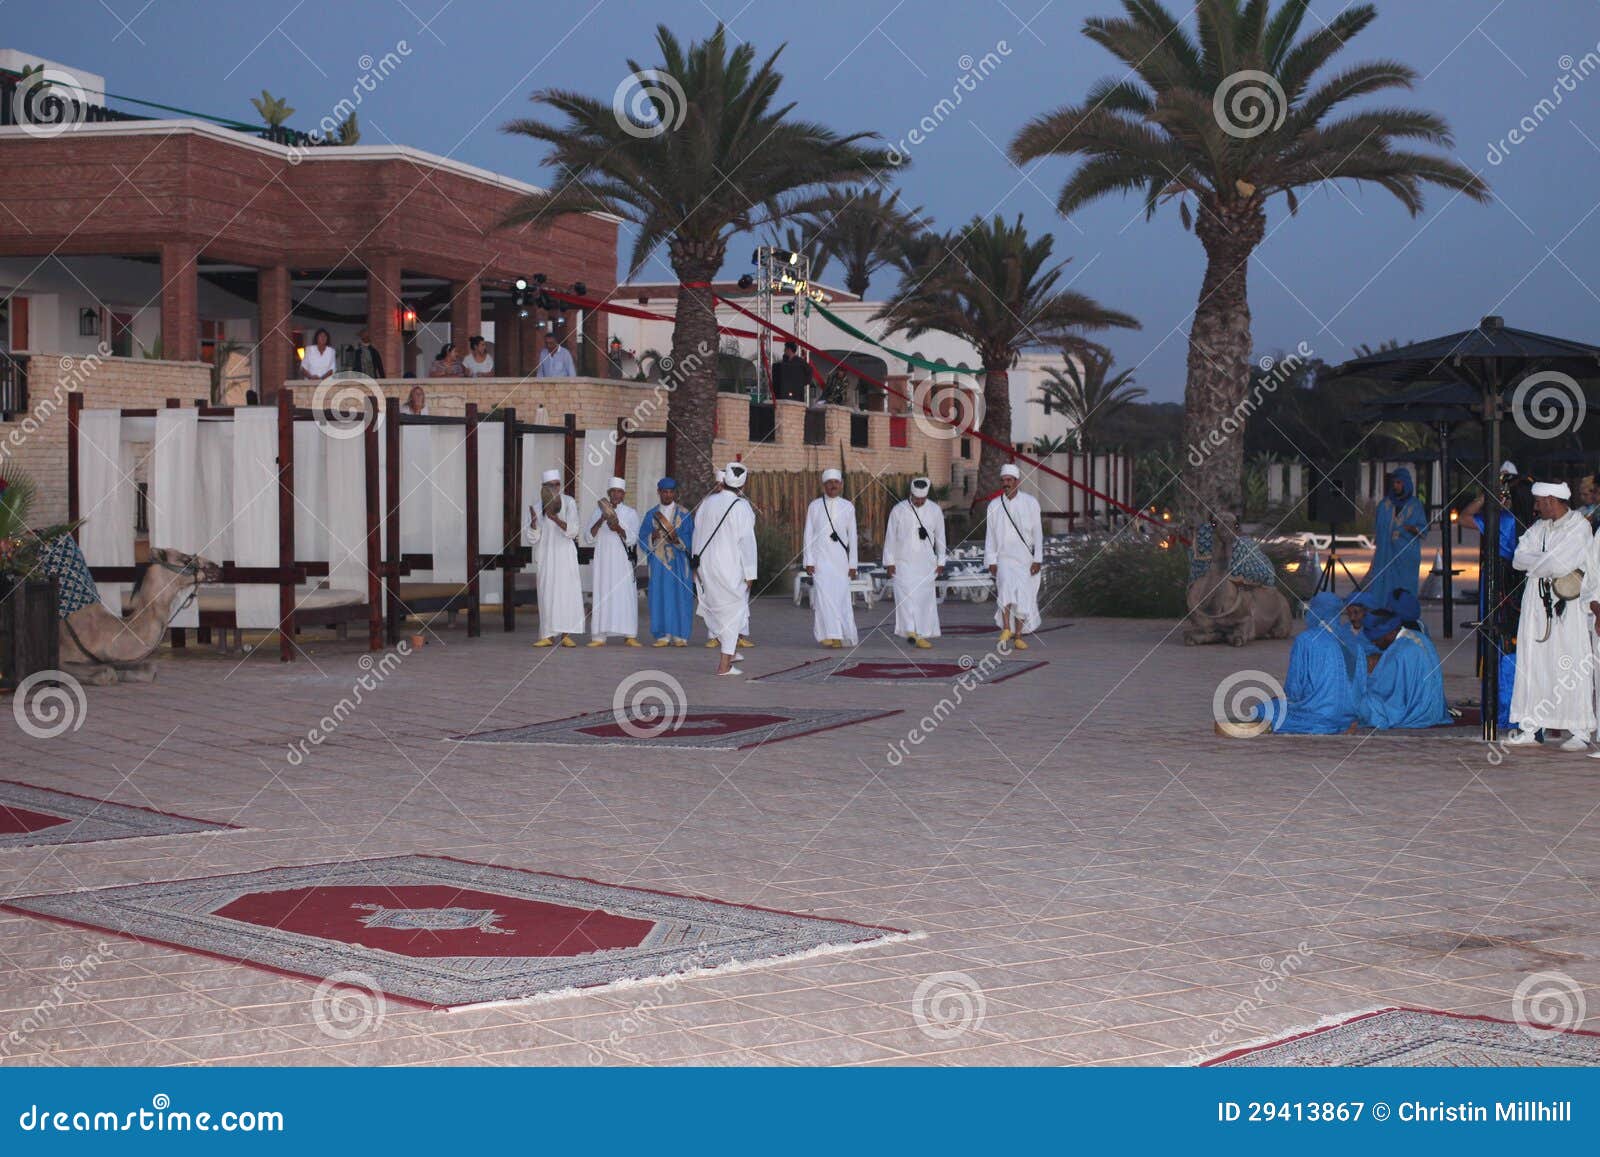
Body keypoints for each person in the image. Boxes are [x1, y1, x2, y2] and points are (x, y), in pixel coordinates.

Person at [1505, 481, 1596, 749]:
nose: (1535, 507)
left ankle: (1578, 730)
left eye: (1539, 502)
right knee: (1533, 662)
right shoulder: (1537, 528)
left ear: (1551, 500)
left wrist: (1538, 563)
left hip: (1567, 608)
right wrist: (1542, 563)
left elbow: (1562, 563)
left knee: (1569, 661)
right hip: (1536, 604)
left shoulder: (1579, 527)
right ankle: (1532, 727)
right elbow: (1518, 559)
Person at [1249, 593, 1363, 734]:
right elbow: (1360, 684)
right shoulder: (1352, 640)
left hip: (1320, 713)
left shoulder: (1306, 639)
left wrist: (1286, 699)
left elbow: (1295, 689)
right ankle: (1344, 722)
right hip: (1350, 713)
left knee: (1260, 710)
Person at [695, 461, 757, 676]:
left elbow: (697, 532)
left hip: (706, 564)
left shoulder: (707, 502)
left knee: (716, 607)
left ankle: (728, 652)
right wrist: (750, 572)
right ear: (743, 484)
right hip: (730, 566)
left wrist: (696, 562)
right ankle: (724, 665)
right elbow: (747, 542)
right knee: (733, 610)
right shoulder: (742, 507)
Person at [1355, 607, 1451, 730]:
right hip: (1434, 711)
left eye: (1376, 640)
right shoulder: (1419, 637)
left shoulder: (1398, 651)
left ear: (1389, 633)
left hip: (1412, 713)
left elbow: (1382, 690)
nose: (1375, 644)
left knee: (1359, 701)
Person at [985, 463, 1044, 648]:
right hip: (1004, 558)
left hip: (1025, 559)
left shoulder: (1030, 502)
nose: (1006, 484)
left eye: (1009, 480)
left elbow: (1038, 534)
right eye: (1003, 481)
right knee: (1005, 591)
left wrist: (1038, 559)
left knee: (1022, 596)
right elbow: (990, 535)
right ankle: (1006, 628)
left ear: (1017, 482)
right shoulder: (994, 505)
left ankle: (1018, 635)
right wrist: (991, 560)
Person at [883, 476, 946, 648]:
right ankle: (910, 630)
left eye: (922, 499)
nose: (918, 501)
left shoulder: (935, 510)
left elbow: (940, 537)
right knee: (905, 597)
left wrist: (941, 561)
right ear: (910, 494)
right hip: (902, 561)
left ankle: (921, 633)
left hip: (926, 563)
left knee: (923, 599)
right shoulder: (898, 510)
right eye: (916, 498)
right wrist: (889, 561)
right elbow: (890, 537)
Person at [524, 468, 584, 647]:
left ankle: (566, 635)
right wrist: (534, 524)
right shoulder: (536, 506)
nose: (554, 488)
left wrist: (555, 519)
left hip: (565, 555)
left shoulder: (569, 502)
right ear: (544, 487)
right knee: (546, 594)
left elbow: (573, 531)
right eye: (550, 485)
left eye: (557, 484)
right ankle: (547, 635)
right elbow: (533, 538)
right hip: (546, 556)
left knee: (566, 593)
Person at [804, 468, 859, 648]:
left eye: (836, 482)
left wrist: (853, 564)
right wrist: (809, 561)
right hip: (821, 560)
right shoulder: (814, 506)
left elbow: (853, 537)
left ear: (841, 485)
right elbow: (808, 534)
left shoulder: (848, 506)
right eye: (829, 483)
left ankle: (840, 633)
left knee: (841, 596)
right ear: (824, 485)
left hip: (841, 561)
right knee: (823, 597)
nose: (833, 486)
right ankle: (828, 634)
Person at [583, 477, 641, 646]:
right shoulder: (596, 512)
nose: (616, 495)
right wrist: (601, 519)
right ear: (608, 494)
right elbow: (588, 537)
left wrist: (618, 529)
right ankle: (599, 636)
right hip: (603, 562)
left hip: (622, 562)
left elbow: (633, 539)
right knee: (602, 594)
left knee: (626, 596)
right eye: (613, 492)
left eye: (619, 492)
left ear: (623, 495)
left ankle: (629, 635)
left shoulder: (630, 513)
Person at [643, 477, 694, 646]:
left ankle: (680, 636)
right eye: (664, 491)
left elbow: (691, 536)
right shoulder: (651, 514)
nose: (667, 495)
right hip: (659, 562)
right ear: (659, 492)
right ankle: (662, 635)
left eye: (671, 492)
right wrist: (652, 536)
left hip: (679, 562)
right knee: (659, 595)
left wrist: (678, 540)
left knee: (680, 595)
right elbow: (641, 538)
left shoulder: (684, 514)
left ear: (675, 493)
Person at [1370, 467, 1428, 603]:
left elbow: (1423, 528)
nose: (1396, 486)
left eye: (1399, 483)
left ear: (1406, 484)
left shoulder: (1415, 505)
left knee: (1404, 589)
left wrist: (1411, 529)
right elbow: (1378, 528)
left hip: (1406, 555)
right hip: (1385, 555)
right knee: (1383, 587)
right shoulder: (1384, 505)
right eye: (1394, 483)